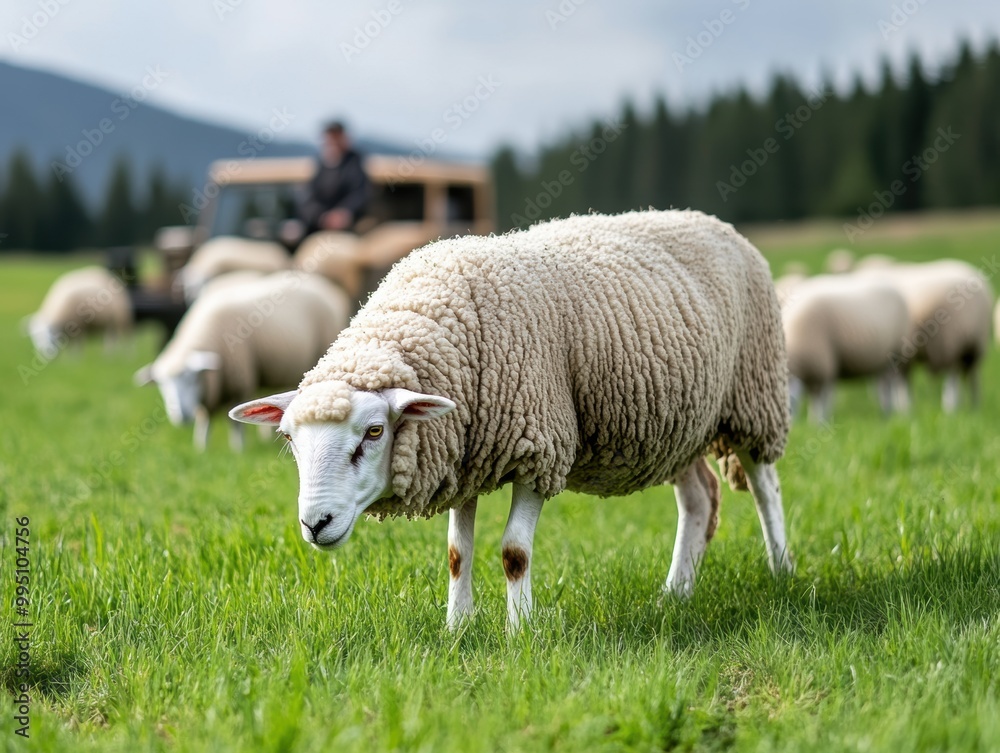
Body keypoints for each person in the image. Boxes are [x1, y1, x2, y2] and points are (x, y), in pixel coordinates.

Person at [299, 121, 371, 234]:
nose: (333, 142)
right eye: (330, 138)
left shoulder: (354, 162)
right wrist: (321, 217)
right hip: (319, 224)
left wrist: (344, 213)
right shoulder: (321, 164)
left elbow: (360, 194)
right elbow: (308, 198)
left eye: (336, 138)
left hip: (348, 225)